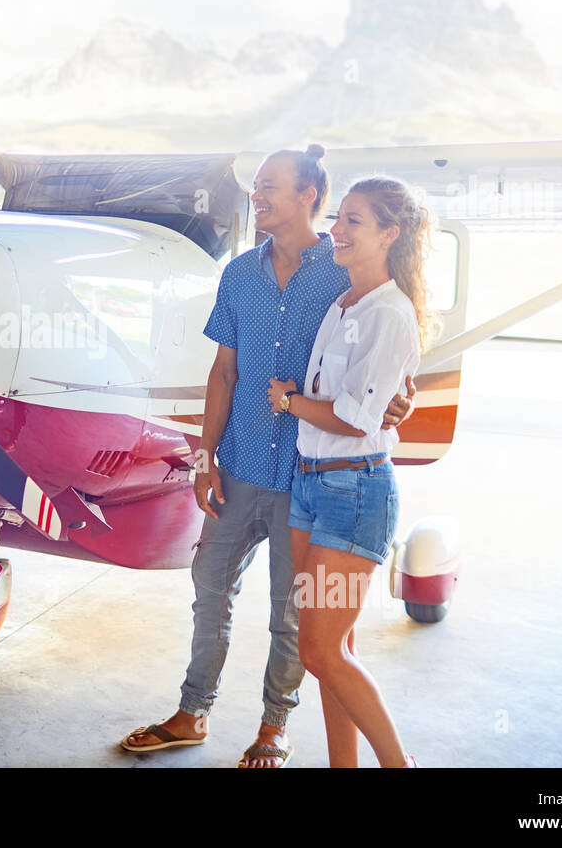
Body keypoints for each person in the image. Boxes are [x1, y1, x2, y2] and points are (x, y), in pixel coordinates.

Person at [121, 145, 415, 767]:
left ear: (310, 193)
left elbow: (382, 357)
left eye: (269, 185)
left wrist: (398, 397)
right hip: (241, 462)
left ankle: (274, 725)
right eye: (255, 186)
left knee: (295, 614)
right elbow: (222, 371)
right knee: (210, 588)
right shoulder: (239, 276)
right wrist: (205, 456)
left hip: (309, 478)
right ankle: (192, 710)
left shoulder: (345, 270)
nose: (256, 196)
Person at [269, 176, 435, 768]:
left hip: (354, 489)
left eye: (354, 221)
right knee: (333, 647)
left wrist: (286, 400)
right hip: (312, 484)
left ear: (390, 234)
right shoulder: (345, 302)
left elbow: (356, 418)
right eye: (339, 217)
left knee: (318, 650)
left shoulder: (389, 314)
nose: (336, 229)